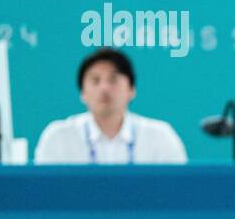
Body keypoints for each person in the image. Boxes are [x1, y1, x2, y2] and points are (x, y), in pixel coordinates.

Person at [33, 49, 186, 164]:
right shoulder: (58, 137)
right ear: (83, 93)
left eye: (113, 80)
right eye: (95, 80)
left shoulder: (160, 137)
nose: (104, 88)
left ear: (131, 90)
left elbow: (179, 194)